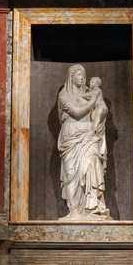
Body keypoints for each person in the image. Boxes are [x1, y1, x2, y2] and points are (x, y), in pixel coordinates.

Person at [57, 64, 102, 220]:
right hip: (71, 136)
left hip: (88, 134)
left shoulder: (90, 93)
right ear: (71, 77)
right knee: (71, 174)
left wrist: (101, 109)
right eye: (79, 75)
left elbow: (101, 108)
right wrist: (93, 100)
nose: (82, 77)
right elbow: (76, 112)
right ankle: (75, 211)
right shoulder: (64, 95)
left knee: (91, 167)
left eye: (84, 75)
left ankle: (92, 209)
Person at [82, 77, 110, 218]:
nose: (90, 84)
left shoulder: (96, 92)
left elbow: (91, 100)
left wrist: (78, 94)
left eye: (92, 82)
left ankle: (97, 204)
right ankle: (93, 204)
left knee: (93, 162)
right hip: (92, 140)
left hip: (94, 139)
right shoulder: (95, 91)